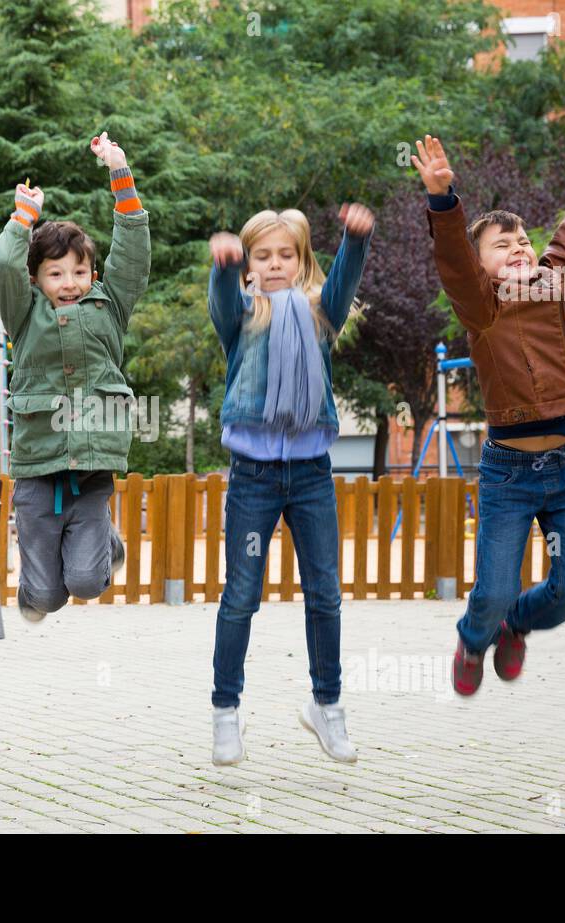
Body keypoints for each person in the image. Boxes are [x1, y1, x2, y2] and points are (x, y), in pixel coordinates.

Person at [411, 107, 565, 696]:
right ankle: (475, 637)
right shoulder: (481, 307)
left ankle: (515, 625)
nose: (520, 248)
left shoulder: (555, 281)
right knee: (491, 591)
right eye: (503, 245)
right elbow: (455, 265)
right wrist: (444, 201)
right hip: (510, 474)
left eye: (523, 240)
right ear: (483, 266)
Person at [206, 203, 373, 766]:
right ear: (250, 265)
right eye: (262, 256)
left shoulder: (322, 314)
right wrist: (224, 267)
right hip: (253, 477)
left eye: (286, 255)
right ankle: (225, 711)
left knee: (324, 594)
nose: (275, 264)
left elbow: (346, 280)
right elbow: (220, 300)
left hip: (309, 476)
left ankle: (327, 706)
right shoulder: (243, 316)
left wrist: (352, 238)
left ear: (302, 263)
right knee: (241, 596)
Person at [0, 132, 149, 624]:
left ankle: (105, 542)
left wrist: (119, 173)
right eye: (56, 274)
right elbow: (2, 264)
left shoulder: (109, 304)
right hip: (38, 470)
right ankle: (41, 585)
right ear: (36, 280)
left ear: (93, 273)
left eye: (80, 272)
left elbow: (134, 252)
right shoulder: (23, 314)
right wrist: (23, 217)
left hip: (91, 470)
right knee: (46, 598)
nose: (70, 283)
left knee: (84, 583)